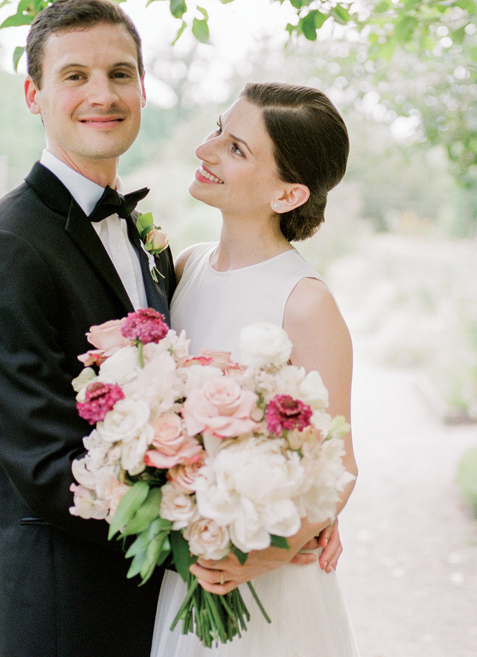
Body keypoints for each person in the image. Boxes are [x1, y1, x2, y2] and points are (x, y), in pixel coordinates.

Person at [0, 0, 177, 657]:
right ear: (34, 94)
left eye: (121, 74)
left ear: (141, 87)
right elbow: (47, 466)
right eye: (75, 75)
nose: (101, 94)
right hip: (67, 612)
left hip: (158, 606)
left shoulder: (146, 237)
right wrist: (206, 522)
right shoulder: (6, 248)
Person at [151, 82, 359, 657]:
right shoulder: (187, 266)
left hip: (265, 588)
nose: (205, 148)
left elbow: (338, 466)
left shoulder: (305, 302)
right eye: (218, 129)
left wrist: (262, 552)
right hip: (191, 565)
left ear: (289, 195)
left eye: (236, 148)